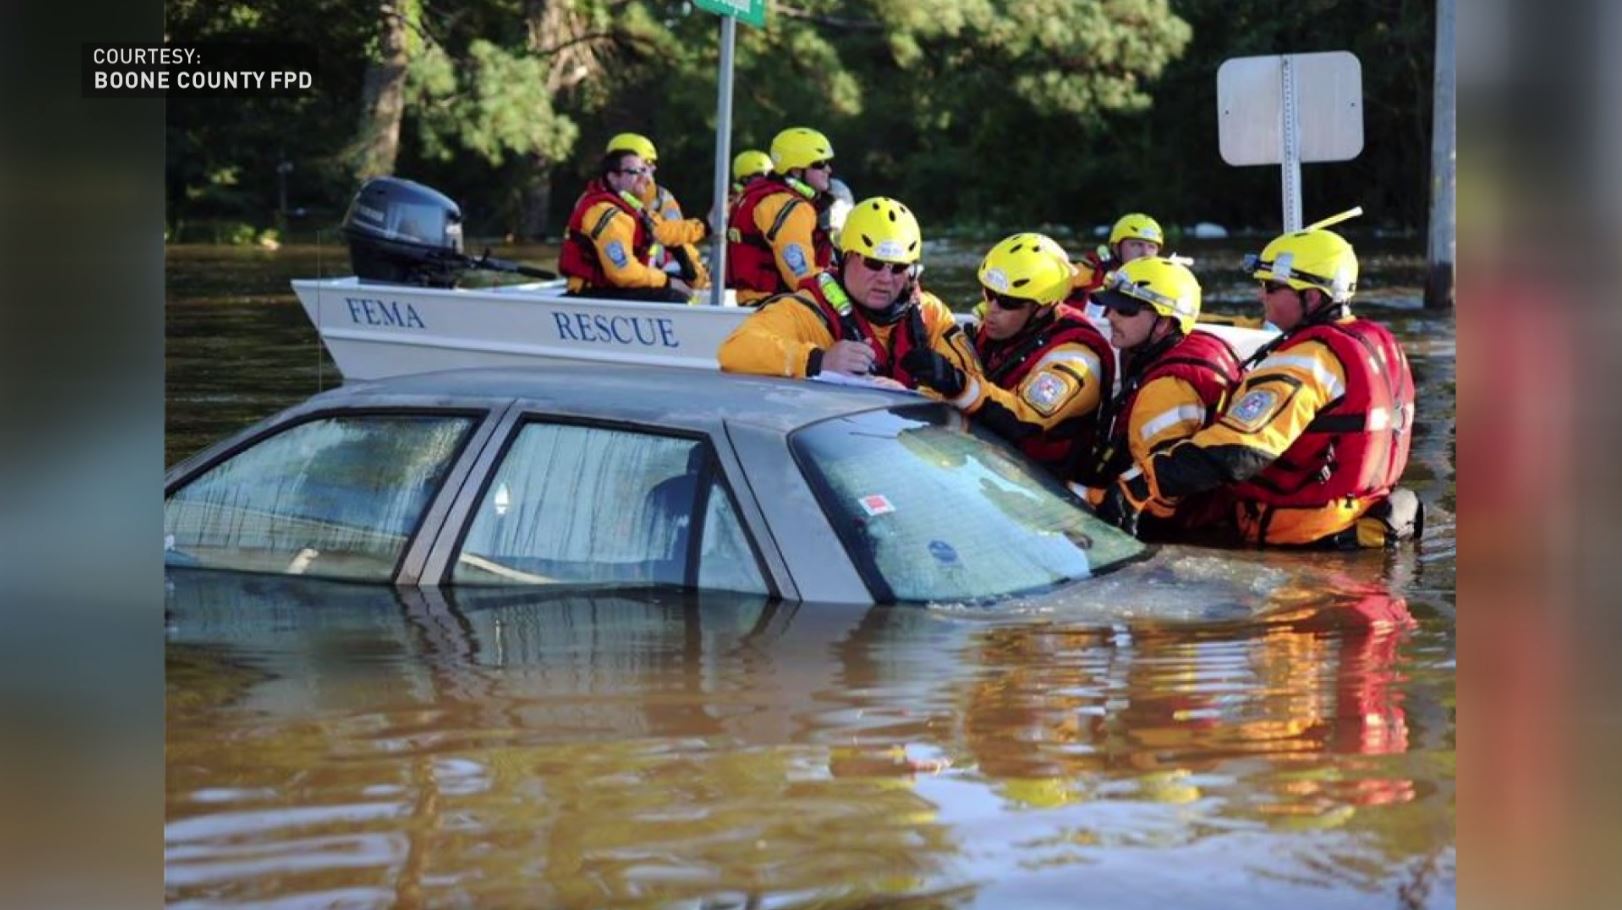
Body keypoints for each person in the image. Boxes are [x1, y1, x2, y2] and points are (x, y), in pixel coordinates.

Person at [1096, 227, 1421, 548]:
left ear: (1310, 297)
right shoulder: (1380, 342)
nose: (1260, 295)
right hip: (1361, 518)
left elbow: (1238, 450)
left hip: (1303, 536)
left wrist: (1140, 484)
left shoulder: (1306, 362)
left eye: (1271, 287)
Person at [717, 195, 980, 398]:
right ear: (845, 257)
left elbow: (975, 383)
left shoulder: (930, 313)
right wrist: (818, 361)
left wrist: (928, 390)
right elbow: (734, 351)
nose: (885, 278)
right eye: (873, 264)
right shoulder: (806, 310)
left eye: (898, 268)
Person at [1083, 256, 1242, 536]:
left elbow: (1157, 506)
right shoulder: (1179, 349)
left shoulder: (1166, 390)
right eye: (1111, 306)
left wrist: (1076, 495)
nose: (1110, 316)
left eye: (1125, 310)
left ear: (1163, 324)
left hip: (1179, 531)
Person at [960, 233, 1114, 479]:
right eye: (989, 293)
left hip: (1042, 485)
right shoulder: (1002, 330)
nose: (992, 309)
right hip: (987, 463)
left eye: (1008, 302)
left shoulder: (1077, 360)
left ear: (1043, 308)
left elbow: (1023, 421)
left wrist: (958, 385)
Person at [557, 148, 692, 302]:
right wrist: (667, 281)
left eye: (644, 170)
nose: (644, 177)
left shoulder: (632, 209)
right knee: (674, 297)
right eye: (635, 172)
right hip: (588, 294)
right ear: (613, 177)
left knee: (679, 284)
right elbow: (623, 273)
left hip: (611, 289)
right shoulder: (606, 213)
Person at [726, 126, 838, 306]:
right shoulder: (791, 208)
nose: (828, 170)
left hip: (757, 302)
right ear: (796, 171)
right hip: (778, 306)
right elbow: (802, 277)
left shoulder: (763, 195)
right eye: (819, 164)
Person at [605, 132, 713, 288]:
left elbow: (679, 240)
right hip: (620, 279)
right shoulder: (600, 205)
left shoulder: (660, 198)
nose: (654, 167)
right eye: (648, 162)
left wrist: (698, 278)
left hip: (646, 273)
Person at [1067, 212, 1165, 316]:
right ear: (1116, 247)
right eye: (1136, 244)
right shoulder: (1088, 273)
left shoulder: (1165, 283)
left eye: (1152, 247)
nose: (1145, 253)